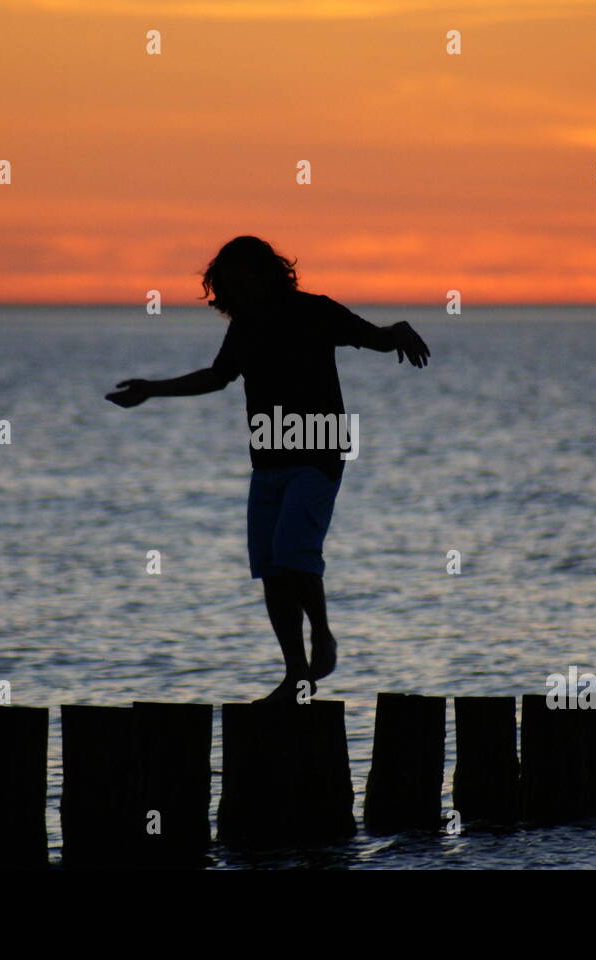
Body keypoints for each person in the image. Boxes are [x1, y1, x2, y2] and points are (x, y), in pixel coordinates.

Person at [106, 236, 429, 704]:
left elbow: (376, 339)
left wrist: (399, 330)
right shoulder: (245, 327)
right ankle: (296, 675)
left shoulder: (315, 311)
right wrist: (153, 389)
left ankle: (322, 634)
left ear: (266, 274)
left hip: (318, 449)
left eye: (243, 279)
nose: (237, 290)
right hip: (269, 458)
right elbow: (217, 377)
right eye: (229, 284)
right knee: (272, 567)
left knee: (291, 550)